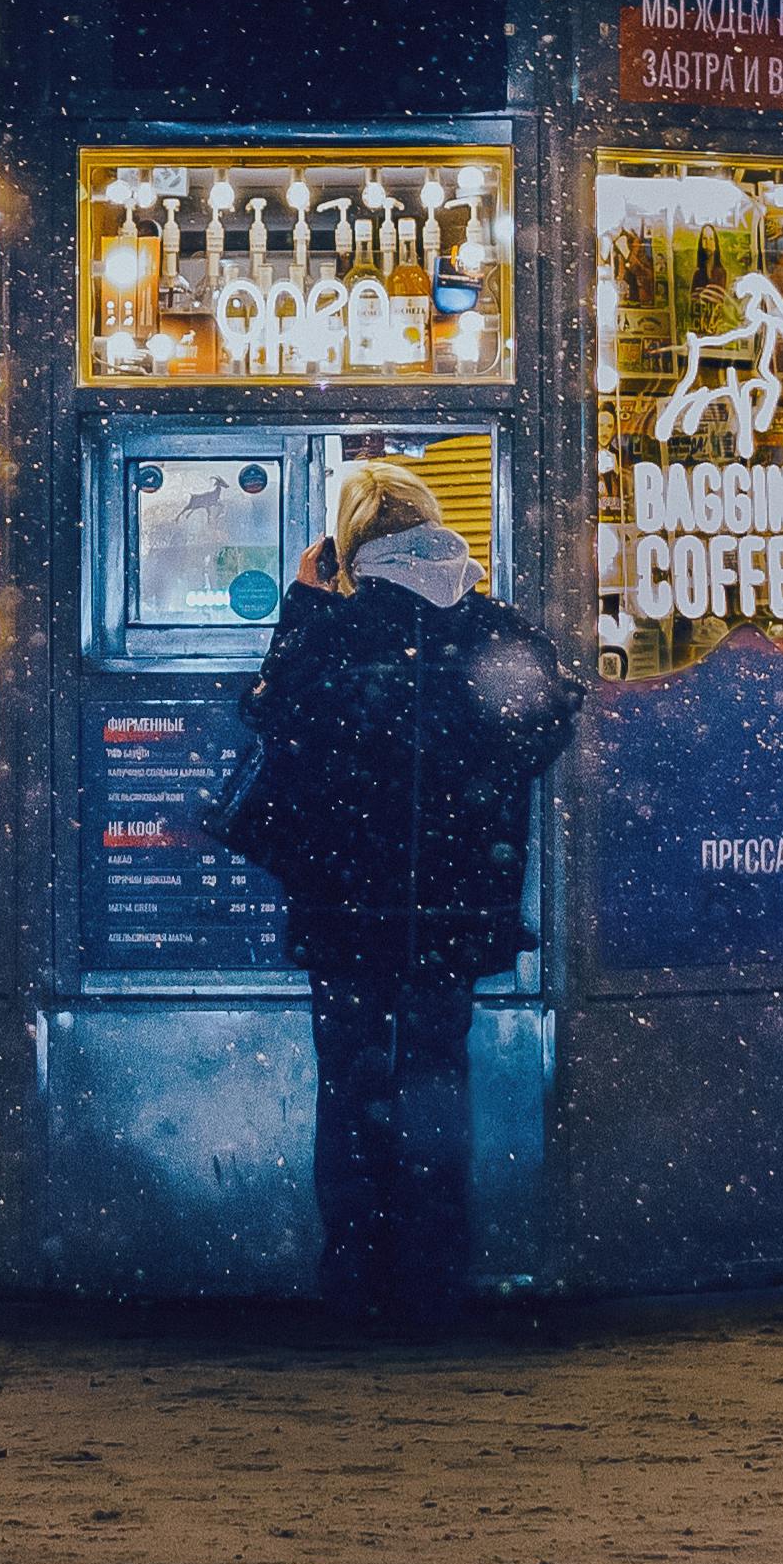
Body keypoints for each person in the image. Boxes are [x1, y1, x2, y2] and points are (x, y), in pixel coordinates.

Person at [227, 459, 581, 1323]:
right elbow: (547, 720)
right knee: (433, 1080)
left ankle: (354, 1278)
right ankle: (433, 1278)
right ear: (438, 530)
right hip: (456, 909)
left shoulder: (336, 632)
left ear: (347, 546)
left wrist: (307, 605)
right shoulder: (495, 629)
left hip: (347, 907)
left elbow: (274, 716)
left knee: (349, 1087)